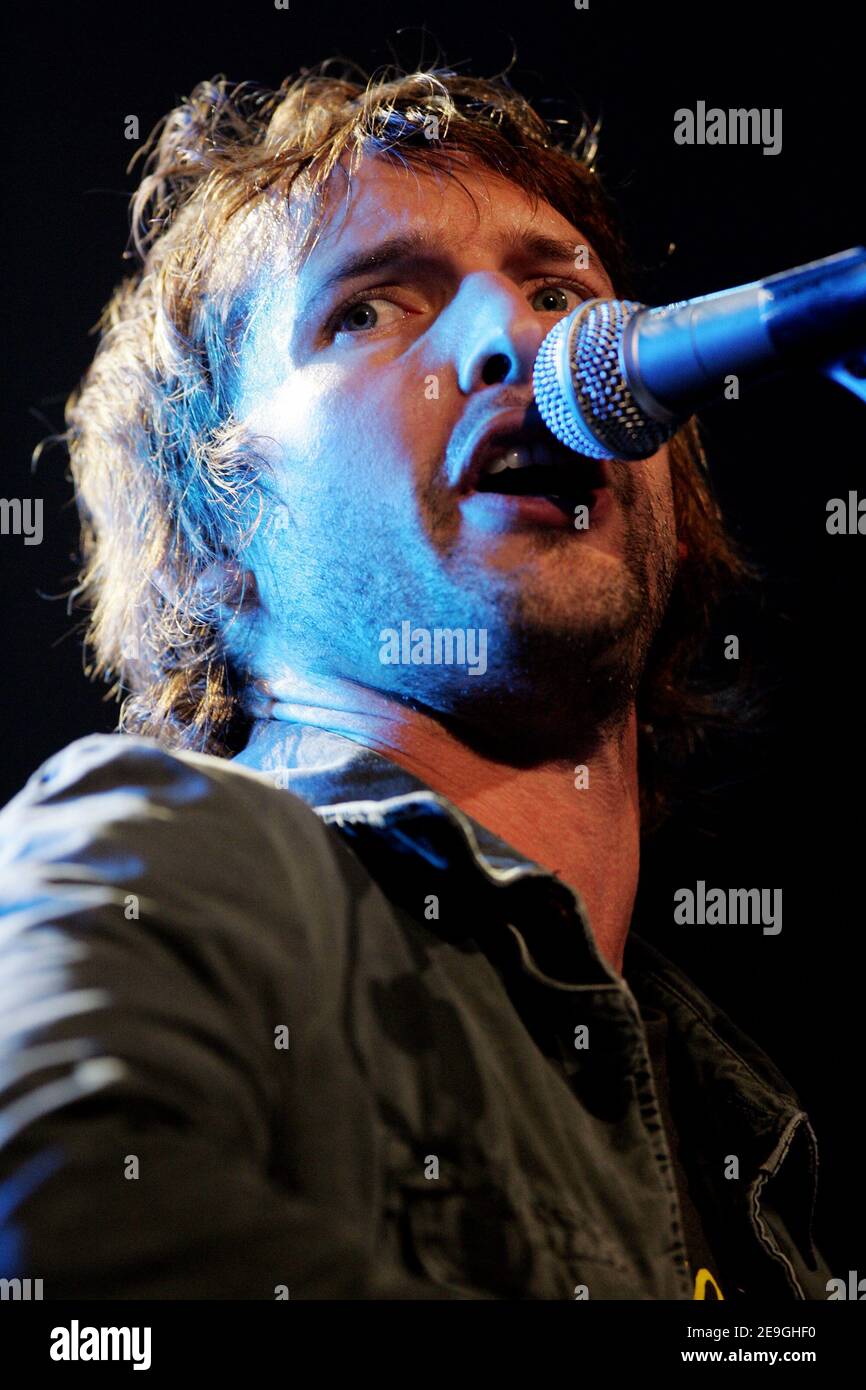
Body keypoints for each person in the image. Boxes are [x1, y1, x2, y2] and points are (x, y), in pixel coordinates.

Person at [0, 61, 831, 1300]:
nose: (517, 339)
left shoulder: (741, 1142)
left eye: (560, 290)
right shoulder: (155, 859)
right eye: (370, 310)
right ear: (216, 536)